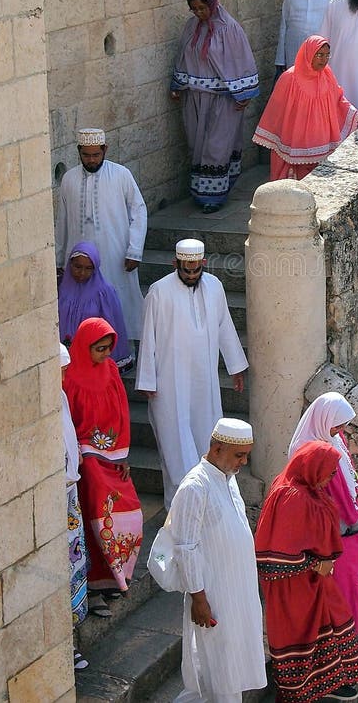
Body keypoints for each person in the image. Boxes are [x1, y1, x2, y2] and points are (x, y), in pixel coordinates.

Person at [135, 239, 248, 508]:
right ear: (176, 264)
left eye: (196, 271)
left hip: (204, 381)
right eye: (186, 271)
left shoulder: (215, 288)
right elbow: (147, 336)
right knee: (175, 448)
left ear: (203, 265)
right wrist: (147, 379)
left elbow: (225, 327)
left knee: (208, 435)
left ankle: (213, 506)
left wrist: (236, 367)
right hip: (169, 383)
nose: (191, 276)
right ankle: (179, 513)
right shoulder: (159, 292)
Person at [255, 441, 358, 703]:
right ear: (312, 467)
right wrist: (314, 564)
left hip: (314, 579)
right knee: (301, 633)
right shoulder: (290, 496)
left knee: (331, 622)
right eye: (328, 473)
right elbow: (273, 550)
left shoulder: (306, 490)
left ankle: (327, 682)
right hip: (294, 584)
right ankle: (300, 689)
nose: (330, 479)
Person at [170, 418, 267, 703]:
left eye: (247, 455)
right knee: (220, 669)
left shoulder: (227, 478)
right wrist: (199, 598)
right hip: (214, 596)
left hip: (237, 593)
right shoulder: (194, 487)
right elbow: (185, 547)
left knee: (230, 668)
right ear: (217, 448)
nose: (244, 462)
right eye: (239, 455)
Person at [63, 318, 143, 616]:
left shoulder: (110, 370)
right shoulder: (69, 377)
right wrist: (78, 453)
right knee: (97, 517)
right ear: (85, 347)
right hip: (86, 458)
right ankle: (94, 586)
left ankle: (115, 577)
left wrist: (122, 454)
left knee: (128, 512)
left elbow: (122, 411)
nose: (105, 355)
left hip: (112, 455)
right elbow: (67, 420)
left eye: (108, 349)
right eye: (99, 349)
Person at [288, 393, 358, 648]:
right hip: (332, 531)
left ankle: (354, 633)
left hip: (353, 524)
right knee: (342, 584)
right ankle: (339, 640)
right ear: (323, 418)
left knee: (357, 581)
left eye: (343, 425)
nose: (341, 430)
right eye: (337, 424)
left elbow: (349, 477)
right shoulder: (306, 449)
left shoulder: (334, 438)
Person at [170, 0, 260, 213]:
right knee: (197, 144)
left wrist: (244, 93)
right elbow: (183, 55)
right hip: (196, 97)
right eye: (194, 9)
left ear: (212, 5)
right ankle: (201, 192)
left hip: (224, 99)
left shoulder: (229, 29)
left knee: (216, 146)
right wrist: (178, 85)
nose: (199, 13)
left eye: (202, 8)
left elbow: (241, 60)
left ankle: (215, 197)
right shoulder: (192, 27)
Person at [55, 128, 147, 340]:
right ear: (79, 151)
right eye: (86, 155)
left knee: (119, 299)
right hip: (79, 260)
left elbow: (139, 211)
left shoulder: (121, 175)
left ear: (105, 149)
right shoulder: (69, 179)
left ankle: (123, 351)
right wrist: (59, 259)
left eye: (96, 154)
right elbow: (62, 221)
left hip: (115, 254)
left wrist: (134, 251)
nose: (91, 160)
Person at [253, 36, 358, 181]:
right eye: (319, 55)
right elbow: (277, 110)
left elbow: (338, 100)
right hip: (295, 141)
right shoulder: (289, 78)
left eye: (326, 55)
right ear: (308, 54)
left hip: (322, 140)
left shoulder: (326, 75)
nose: (323, 60)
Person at [58, 240, 133, 371]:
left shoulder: (104, 292)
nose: (82, 273)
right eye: (77, 267)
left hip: (92, 360)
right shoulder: (60, 288)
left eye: (88, 268)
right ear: (70, 264)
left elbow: (113, 325)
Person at [60, 343, 89, 671]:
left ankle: (72, 643)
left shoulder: (62, 398)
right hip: (59, 500)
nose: (64, 377)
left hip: (71, 496)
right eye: (62, 371)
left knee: (74, 570)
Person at [275, 0, 339, 78]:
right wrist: (280, 58)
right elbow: (284, 23)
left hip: (320, 52)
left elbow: (337, 23)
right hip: (295, 49)